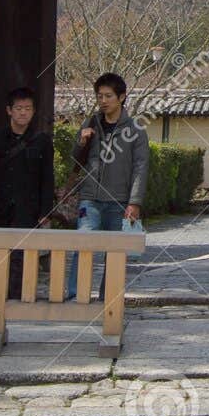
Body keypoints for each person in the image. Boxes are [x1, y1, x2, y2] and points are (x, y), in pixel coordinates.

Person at [64, 72, 150, 301]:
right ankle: (76, 296)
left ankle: (109, 299)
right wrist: (81, 142)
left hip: (119, 200)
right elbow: (75, 161)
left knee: (115, 253)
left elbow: (140, 168)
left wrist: (134, 202)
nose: (103, 101)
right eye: (99, 96)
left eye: (108, 96)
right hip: (89, 198)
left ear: (121, 97)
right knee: (84, 244)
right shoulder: (90, 124)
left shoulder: (135, 130)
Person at [0, 87, 55, 296]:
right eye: (18, 108)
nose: (23, 113)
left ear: (34, 111)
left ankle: (17, 298)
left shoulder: (42, 140)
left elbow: (47, 177)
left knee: (21, 254)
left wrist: (46, 210)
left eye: (27, 108)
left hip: (28, 205)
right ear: (9, 110)